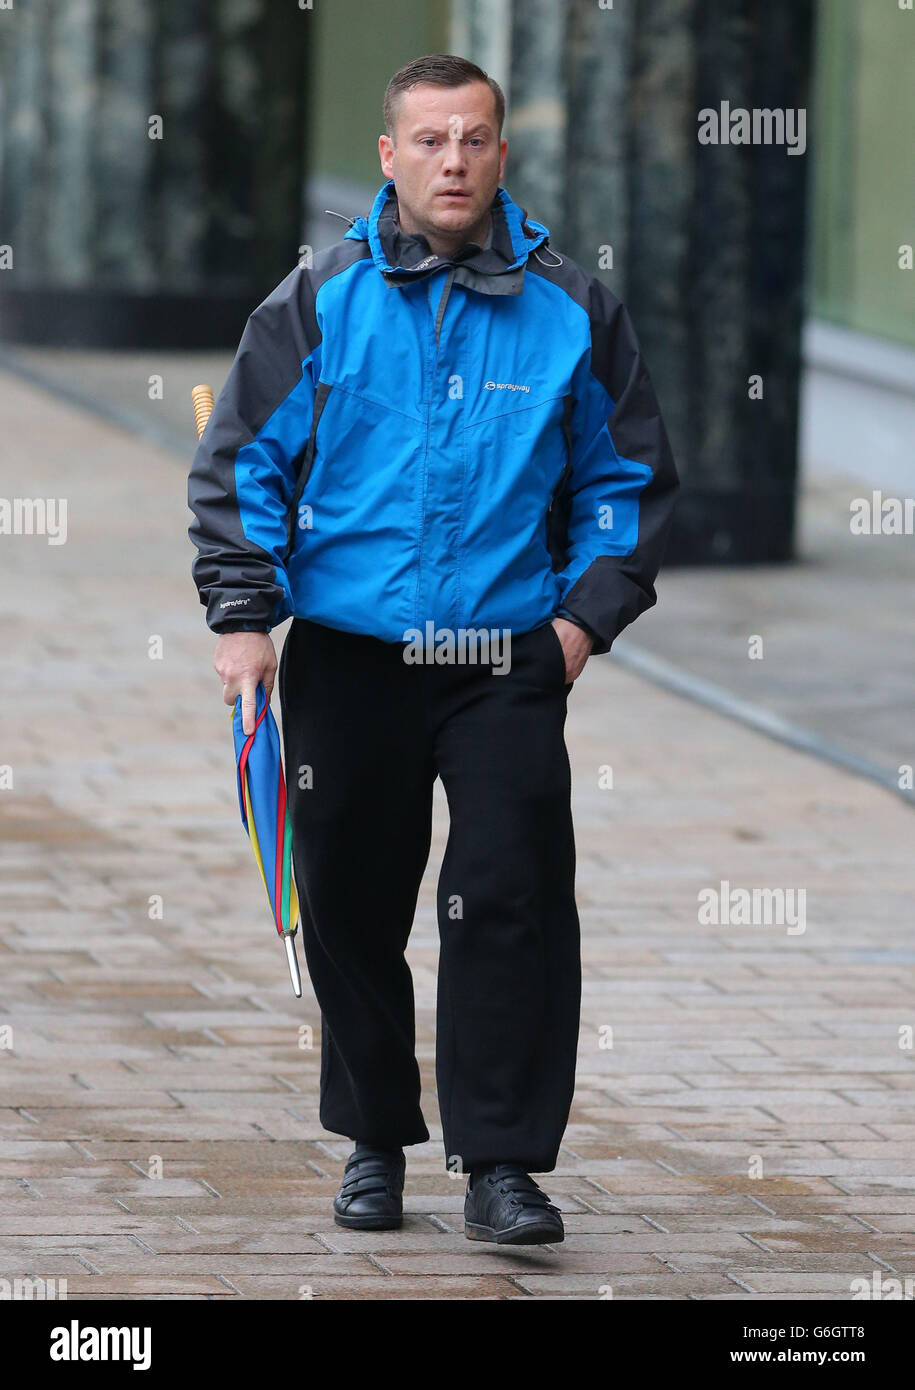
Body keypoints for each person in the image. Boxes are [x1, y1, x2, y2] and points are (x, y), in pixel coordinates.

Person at [188, 53, 678, 1246]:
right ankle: (373, 1141)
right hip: (351, 654)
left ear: (503, 153)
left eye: (474, 139)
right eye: (430, 139)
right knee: (352, 896)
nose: (453, 160)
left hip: (504, 657)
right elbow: (241, 462)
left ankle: (502, 1166)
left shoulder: (571, 305)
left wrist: (575, 626)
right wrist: (245, 617)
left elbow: (628, 481)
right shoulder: (319, 296)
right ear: (390, 155)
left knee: (506, 890)